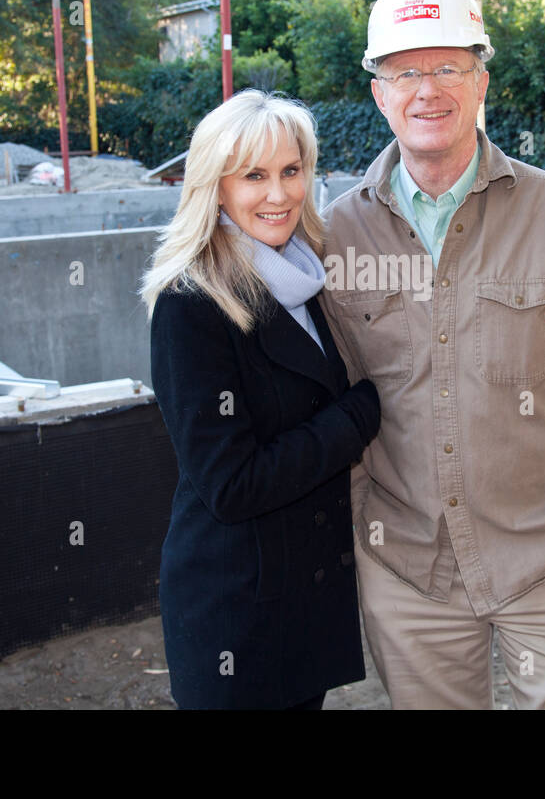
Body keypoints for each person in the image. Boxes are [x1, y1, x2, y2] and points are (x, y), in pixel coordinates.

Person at [320, 0, 545, 709]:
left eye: (448, 67)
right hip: (409, 572)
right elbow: (325, 389)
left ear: (483, 81)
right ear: (378, 92)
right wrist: (360, 519)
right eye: (405, 71)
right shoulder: (337, 233)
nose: (428, 90)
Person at [141, 90, 380, 709]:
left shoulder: (301, 275)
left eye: (291, 171)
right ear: (215, 187)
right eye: (254, 176)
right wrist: (357, 417)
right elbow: (231, 484)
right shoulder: (189, 303)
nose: (279, 194)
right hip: (236, 614)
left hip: (301, 597)